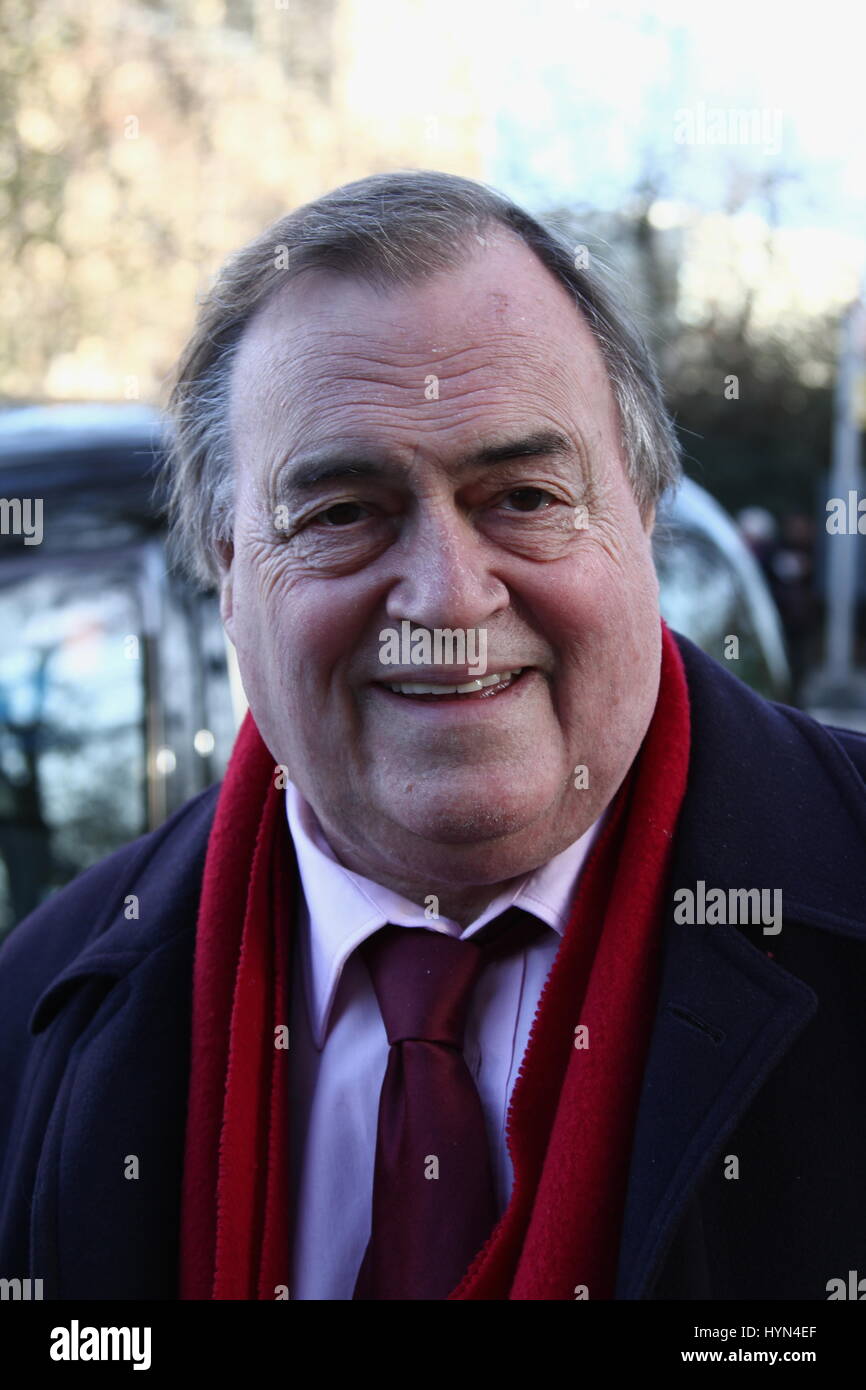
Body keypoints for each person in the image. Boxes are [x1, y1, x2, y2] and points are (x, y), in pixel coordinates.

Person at [1, 171, 865, 1302]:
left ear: (641, 514)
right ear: (224, 566)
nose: (448, 600)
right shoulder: (35, 1015)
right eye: (343, 513)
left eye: (521, 496)